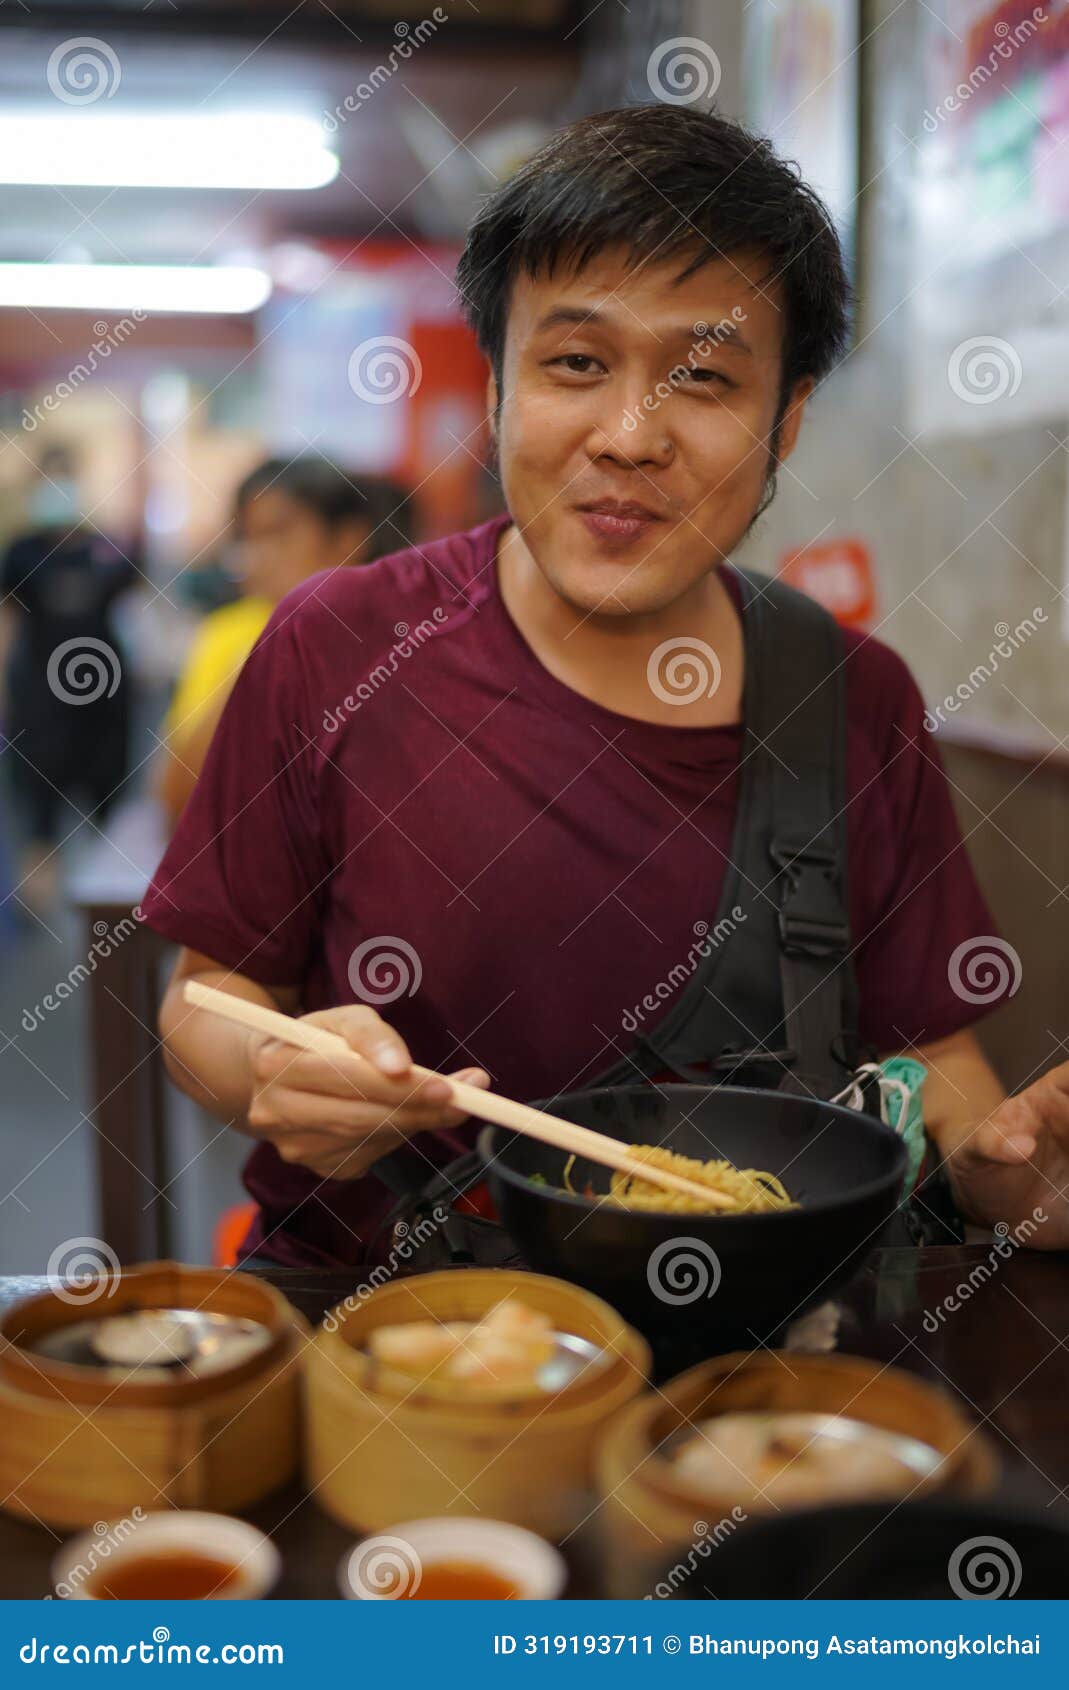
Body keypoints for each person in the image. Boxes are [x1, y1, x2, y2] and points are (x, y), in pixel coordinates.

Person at [142, 105, 1067, 1270]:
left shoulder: (854, 698)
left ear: (785, 421)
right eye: (575, 363)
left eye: (704, 380)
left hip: (744, 1355)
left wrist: (1005, 1177)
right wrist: (273, 1073)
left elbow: (933, 1055)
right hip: (387, 1338)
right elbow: (207, 997)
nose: (629, 436)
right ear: (496, 389)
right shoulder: (336, 644)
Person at [155, 457, 406, 825]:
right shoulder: (228, 635)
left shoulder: (398, 638)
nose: (257, 559)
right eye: (249, 538)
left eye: (278, 534)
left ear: (348, 539)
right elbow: (178, 801)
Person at [0, 446, 137, 912]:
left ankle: (113, 916)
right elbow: (7, 621)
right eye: (50, 478)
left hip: (104, 699)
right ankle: (39, 930)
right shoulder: (21, 553)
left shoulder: (108, 548)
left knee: (111, 808)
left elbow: (141, 612)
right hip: (39, 702)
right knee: (39, 816)